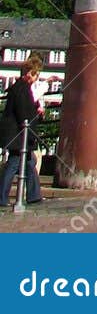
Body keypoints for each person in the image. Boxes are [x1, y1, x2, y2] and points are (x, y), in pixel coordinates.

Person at [0, 53, 43, 206]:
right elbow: (24, 113)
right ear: (29, 73)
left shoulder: (20, 88)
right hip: (18, 136)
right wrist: (35, 114)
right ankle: (3, 197)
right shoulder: (22, 89)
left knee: (29, 163)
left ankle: (34, 195)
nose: (36, 78)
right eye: (35, 74)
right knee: (15, 164)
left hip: (18, 135)